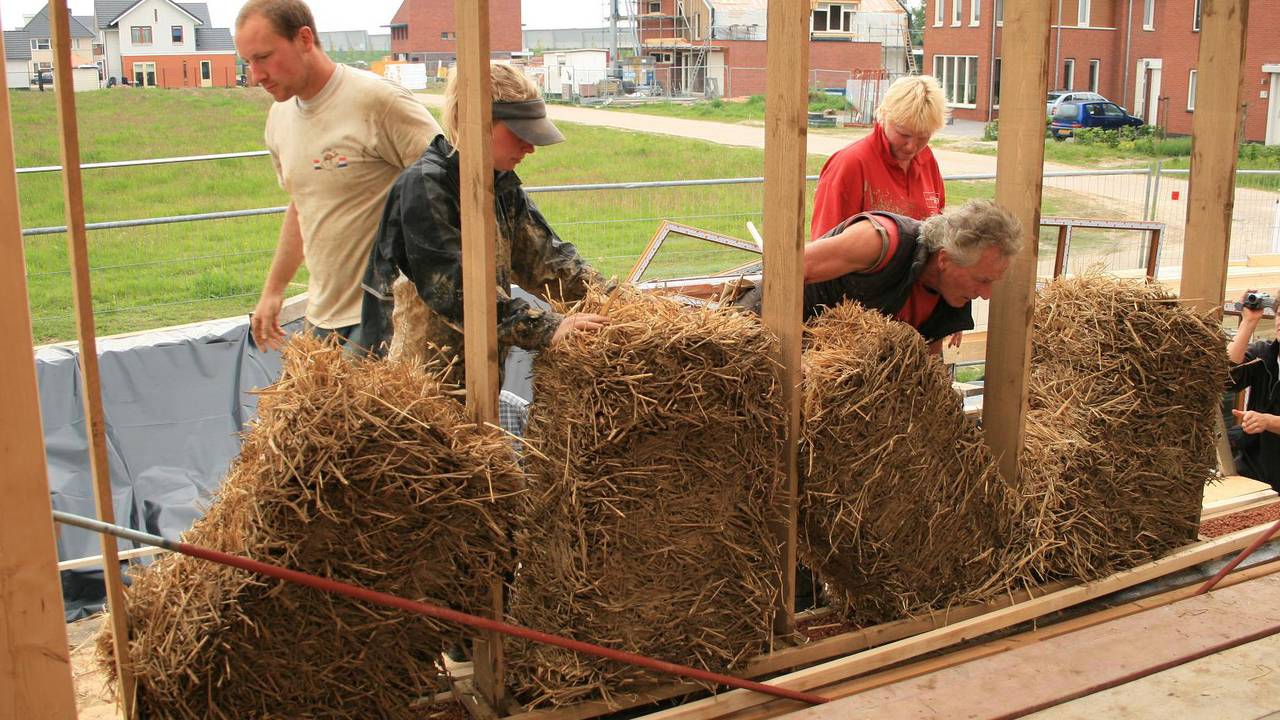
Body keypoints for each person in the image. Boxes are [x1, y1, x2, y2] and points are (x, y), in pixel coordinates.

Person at [360, 63, 608, 386]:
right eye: (519, 133)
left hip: (478, 383)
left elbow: (548, 261)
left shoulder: (500, 186)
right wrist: (546, 327)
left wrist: (615, 299)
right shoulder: (425, 188)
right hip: (417, 390)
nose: (530, 147)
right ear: (474, 122)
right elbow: (455, 293)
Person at [234, 0, 441, 351]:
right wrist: (273, 291)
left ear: (303, 38)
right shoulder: (279, 119)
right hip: (322, 317)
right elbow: (301, 207)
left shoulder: (378, 101)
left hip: (385, 317)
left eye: (264, 58)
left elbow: (450, 185)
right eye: (248, 62)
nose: (255, 75)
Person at [736, 199, 1022, 353]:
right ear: (945, 259)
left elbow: (928, 370)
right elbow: (788, 271)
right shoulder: (882, 241)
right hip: (763, 334)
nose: (987, 294)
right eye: (982, 280)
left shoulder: (951, 293)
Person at [809, 75, 948, 241]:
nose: (911, 146)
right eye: (903, 134)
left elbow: (937, 232)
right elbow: (823, 249)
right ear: (883, 116)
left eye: (923, 137)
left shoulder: (927, 160)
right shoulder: (851, 165)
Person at [1226, 290, 1280, 491]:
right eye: (1279, 314)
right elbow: (1226, 377)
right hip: (1253, 476)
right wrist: (1248, 322)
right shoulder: (1263, 355)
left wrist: (1267, 421)